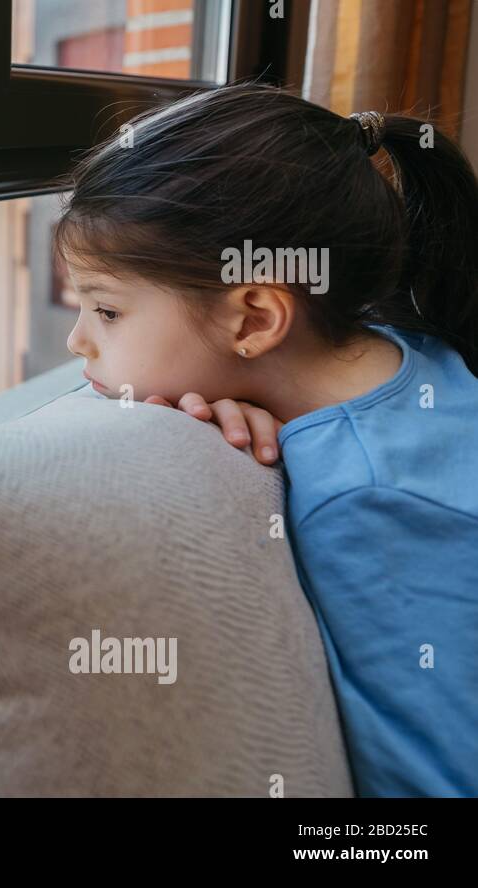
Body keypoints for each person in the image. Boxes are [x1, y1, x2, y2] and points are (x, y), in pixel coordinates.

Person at [55, 81, 478, 797]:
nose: (76, 343)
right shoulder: (409, 349)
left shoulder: (368, 505)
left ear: (255, 320)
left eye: (106, 310)